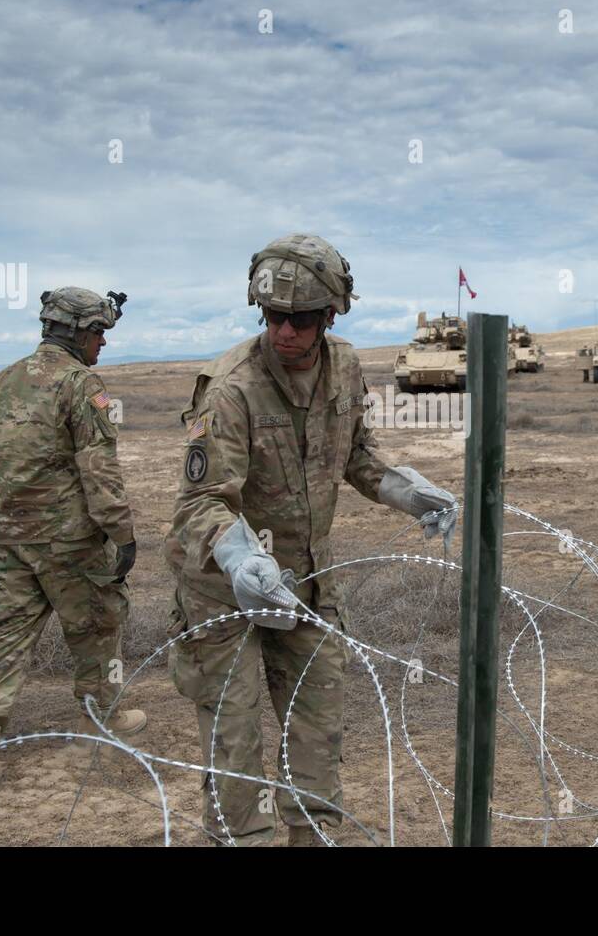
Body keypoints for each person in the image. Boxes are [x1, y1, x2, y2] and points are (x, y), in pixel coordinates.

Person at [165, 234, 457, 845]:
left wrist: (404, 490)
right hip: (224, 589)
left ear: (329, 316)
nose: (285, 332)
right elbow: (202, 501)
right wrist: (241, 555)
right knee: (235, 740)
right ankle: (241, 839)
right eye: (273, 317)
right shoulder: (230, 388)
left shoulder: (345, 366)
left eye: (299, 319)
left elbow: (355, 455)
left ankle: (316, 835)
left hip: (305, 582)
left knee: (319, 727)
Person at [0, 287, 144, 789]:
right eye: (98, 331)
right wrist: (121, 531)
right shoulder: (81, 384)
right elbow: (99, 468)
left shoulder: (3, 381)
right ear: (75, 331)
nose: (103, 342)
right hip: (68, 542)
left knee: (1, 639)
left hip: (8, 539)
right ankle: (99, 721)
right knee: (98, 625)